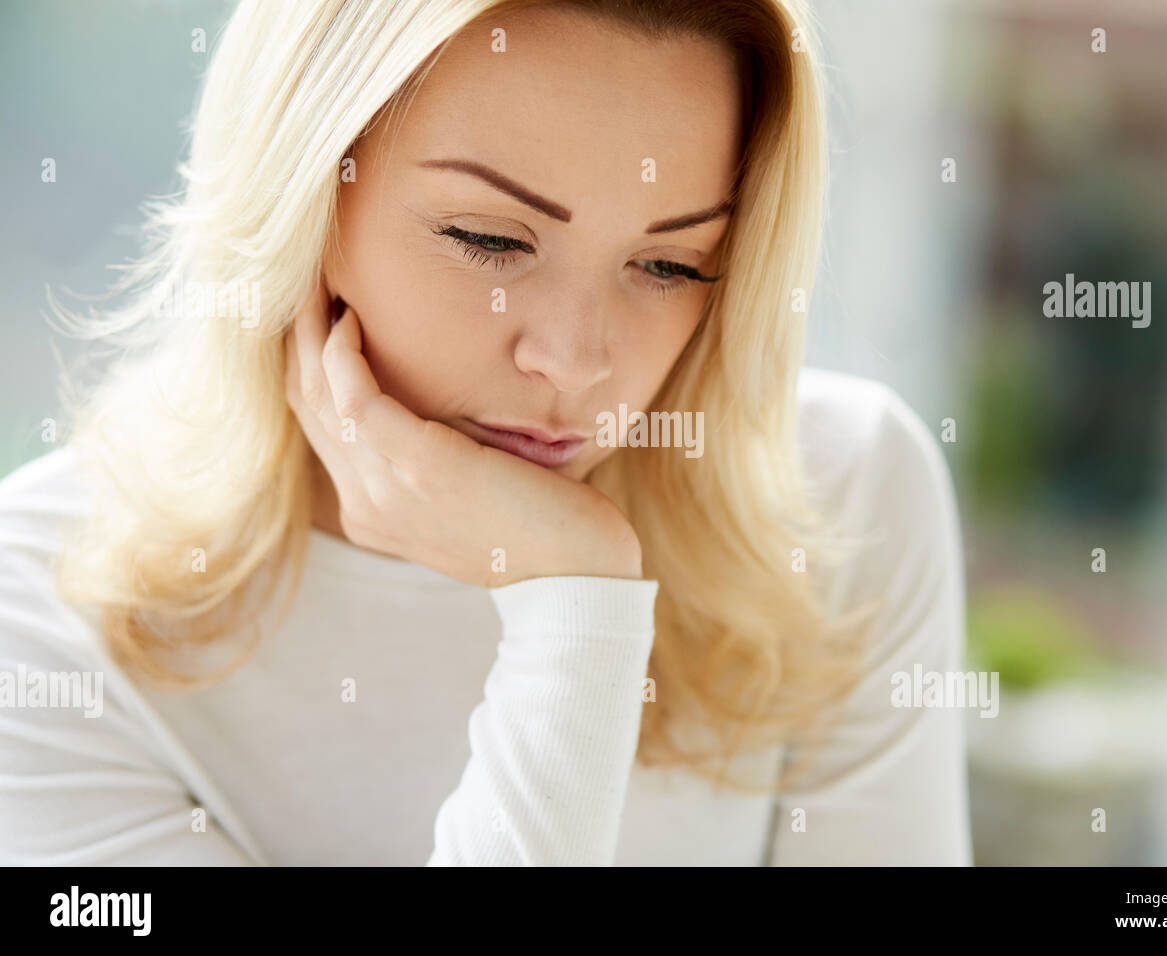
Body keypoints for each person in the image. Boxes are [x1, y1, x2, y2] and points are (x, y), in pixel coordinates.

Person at [0, 0, 971, 865]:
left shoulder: (843, 498)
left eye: (670, 265)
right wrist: (575, 608)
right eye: (491, 241)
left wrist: (573, 585)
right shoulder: (36, 608)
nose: (579, 359)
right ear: (303, 197)